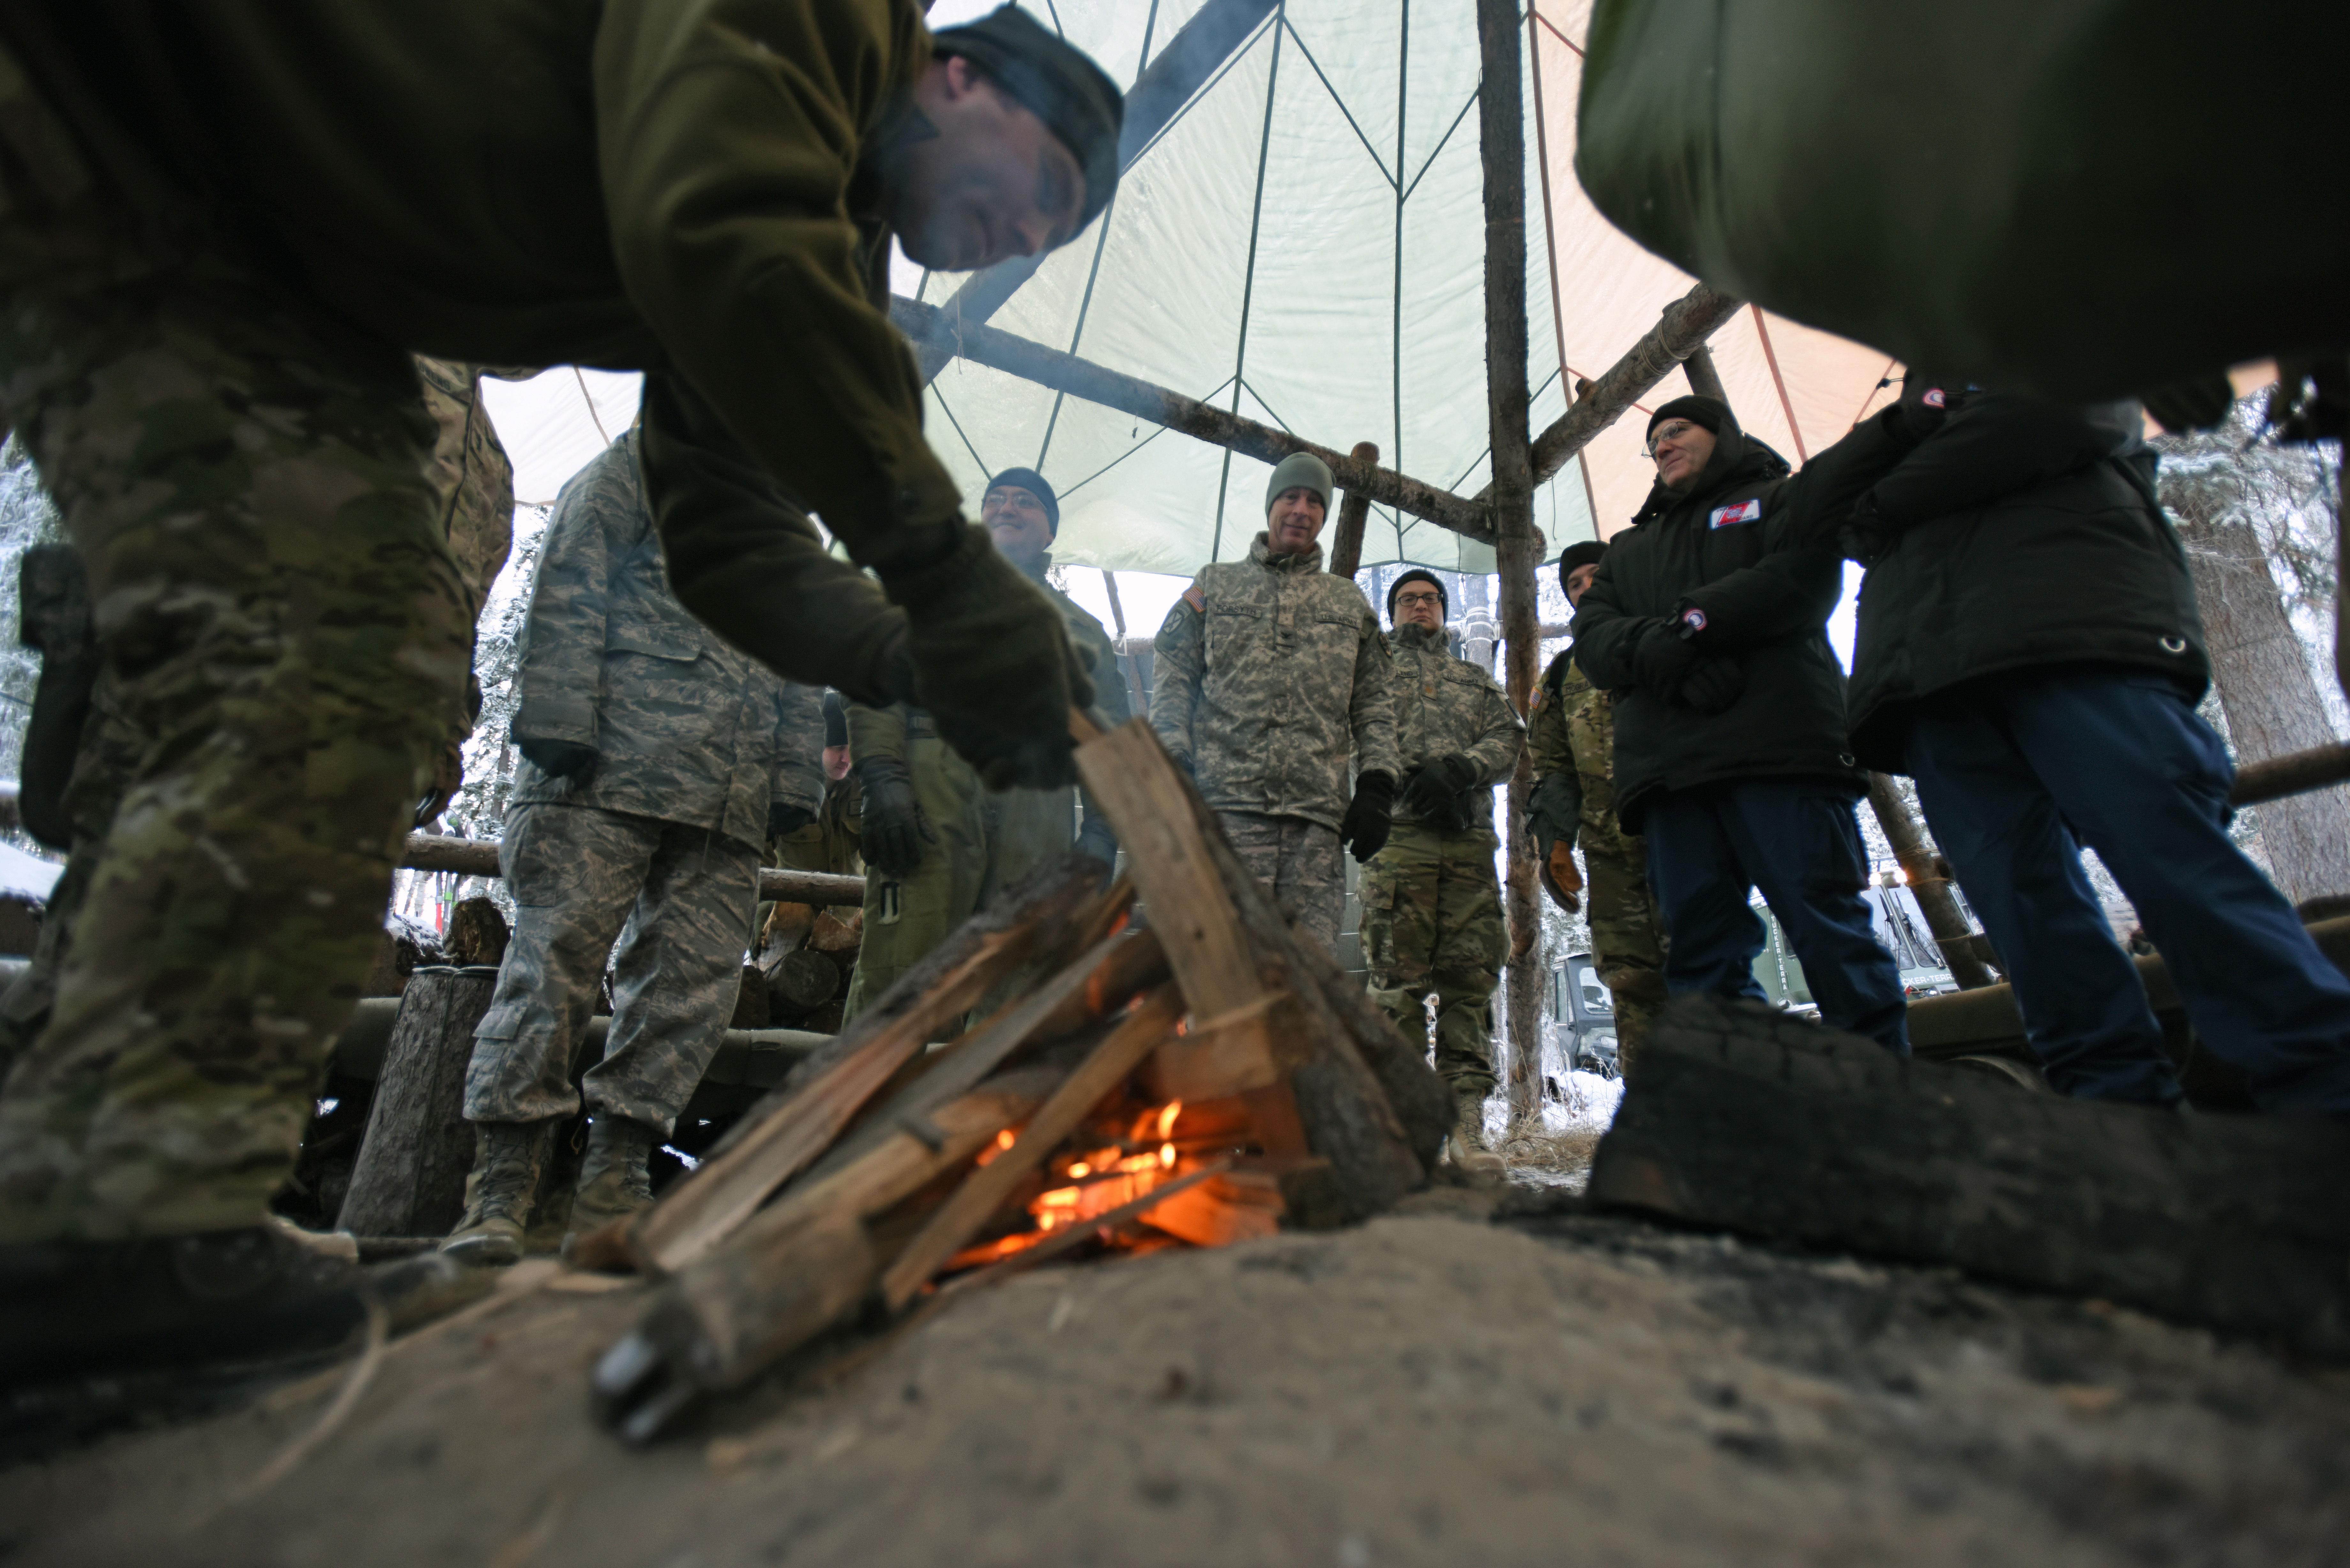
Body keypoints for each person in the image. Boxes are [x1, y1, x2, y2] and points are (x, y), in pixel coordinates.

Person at [0, 2, 1120, 1368]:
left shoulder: (818, 238)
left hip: (251, 252)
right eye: (1041, 186)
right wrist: (947, 576)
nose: (1023, 235)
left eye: (1049, 236)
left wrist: (919, 661)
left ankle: (126, 1219)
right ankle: (112, 1236)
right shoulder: (821, 31)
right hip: (112, 106)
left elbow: (736, 543)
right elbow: (721, 235)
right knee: (329, 640)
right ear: (961, 76)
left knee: (360, 647)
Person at [1842, 383, 2350, 1112]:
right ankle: (2117, 1112)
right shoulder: (1904, 416)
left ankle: (2320, 1088)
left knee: (2174, 861)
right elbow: (1817, 506)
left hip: (2074, 635)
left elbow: (2063, 412)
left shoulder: (2050, 350)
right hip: (1930, 680)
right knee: (2021, 911)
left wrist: (1883, 499)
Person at [443, 430, 824, 1264]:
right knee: (552, 974)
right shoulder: (648, 460)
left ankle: (615, 1181)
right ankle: (501, 1188)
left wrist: (797, 772)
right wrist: (557, 713)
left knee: (690, 993)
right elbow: (569, 575)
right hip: (605, 769)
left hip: (728, 795)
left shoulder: (790, 517)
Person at [1571, 395, 1920, 1055]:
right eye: (1653, 440)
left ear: (1723, 435)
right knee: (1702, 961)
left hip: (1781, 755)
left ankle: (1880, 1097)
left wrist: (1693, 626)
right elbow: (1593, 640)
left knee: (1830, 933)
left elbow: (1803, 580)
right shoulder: (1627, 550)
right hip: (1672, 778)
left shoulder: (1777, 500)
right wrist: (1661, 652)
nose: (1662, 444)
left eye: (1677, 430)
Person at [843, 468, 1128, 1016]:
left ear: (1050, 531)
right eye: (996, 499)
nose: (1007, 508)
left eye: (1025, 502)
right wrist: (882, 777)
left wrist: (1100, 833)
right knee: (902, 978)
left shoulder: (1083, 631)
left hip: (1037, 816)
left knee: (1015, 990)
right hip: (931, 803)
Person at [1149, 454, 1400, 949]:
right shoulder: (1215, 584)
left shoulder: (1348, 603)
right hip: (1224, 814)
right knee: (1223, 969)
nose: (1301, 510)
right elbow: (1174, 675)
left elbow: (1375, 701)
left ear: (1324, 516)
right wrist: (1173, 760)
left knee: (1307, 977)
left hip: (1315, 828)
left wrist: (1378, 784)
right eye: (1290, 497)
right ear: (1271, 506)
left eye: (1315, 502)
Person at [1359, 570, 1523, 1168]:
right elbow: (1353, 735)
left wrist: (1459, 771)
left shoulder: (1474, 681)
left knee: (1469, 983)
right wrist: (1405, 777)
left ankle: (1467, 1126)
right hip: (1398, 842)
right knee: (1396, 985)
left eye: (1429, 599)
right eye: (1407, 600)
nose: (1419, 607)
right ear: (1393, 613)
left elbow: (1508, 739)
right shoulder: (1370, 674)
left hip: (1467, 843)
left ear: (1444, 611)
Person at [1527, 539, 1669, 1072]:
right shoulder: (1563, 673)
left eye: (1596, 576)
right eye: (1575, 584)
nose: (1586, 589)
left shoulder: (1665, 637)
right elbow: (1552, 768)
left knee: (1706, 965)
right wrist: (1555, 842)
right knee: (1630, 980)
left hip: (1683, 839)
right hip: (1611, 856)